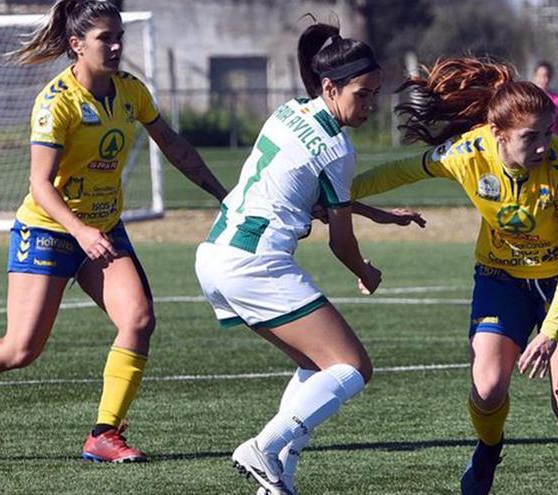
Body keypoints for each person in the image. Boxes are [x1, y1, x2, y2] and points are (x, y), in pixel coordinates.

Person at [0, 0, 227, 463]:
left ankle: (103, 434)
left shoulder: (132, 91)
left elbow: (172, 145)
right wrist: (81, 231)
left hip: (103, 229)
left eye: (119, 37)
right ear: (76, 45)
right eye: (104, 39)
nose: (115, 46)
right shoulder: (57, 102)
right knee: (20, 349)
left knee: (137, 320)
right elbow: (39, 184)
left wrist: (222, 193)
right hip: (49, 231)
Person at [351, 57, 558, 495]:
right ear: (499, 134)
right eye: (531, 137)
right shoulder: (468, 153)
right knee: (489, 388)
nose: (544, 146)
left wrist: (550, 330)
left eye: (547, 133)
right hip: (501, 277)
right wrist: (339, 191)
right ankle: (488, 451)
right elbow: (401, 171)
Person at [194, 21, 423, 495]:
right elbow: (340, 242)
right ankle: (263, 446)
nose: (371, 105)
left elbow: (312, 194)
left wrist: (380, 215)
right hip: (256, 264)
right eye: (363, 94)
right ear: (329, 86)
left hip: (217, 255)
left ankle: (278, 479)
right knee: (354, 368)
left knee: (318, 367)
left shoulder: (289, 111)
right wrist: (366, 271)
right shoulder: (337, 148)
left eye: (375, 94)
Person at [532, 61, 558, 139]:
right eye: (541, 76)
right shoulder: (528, 98)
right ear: (535, 76)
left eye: (547, 76)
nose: (544, 79)